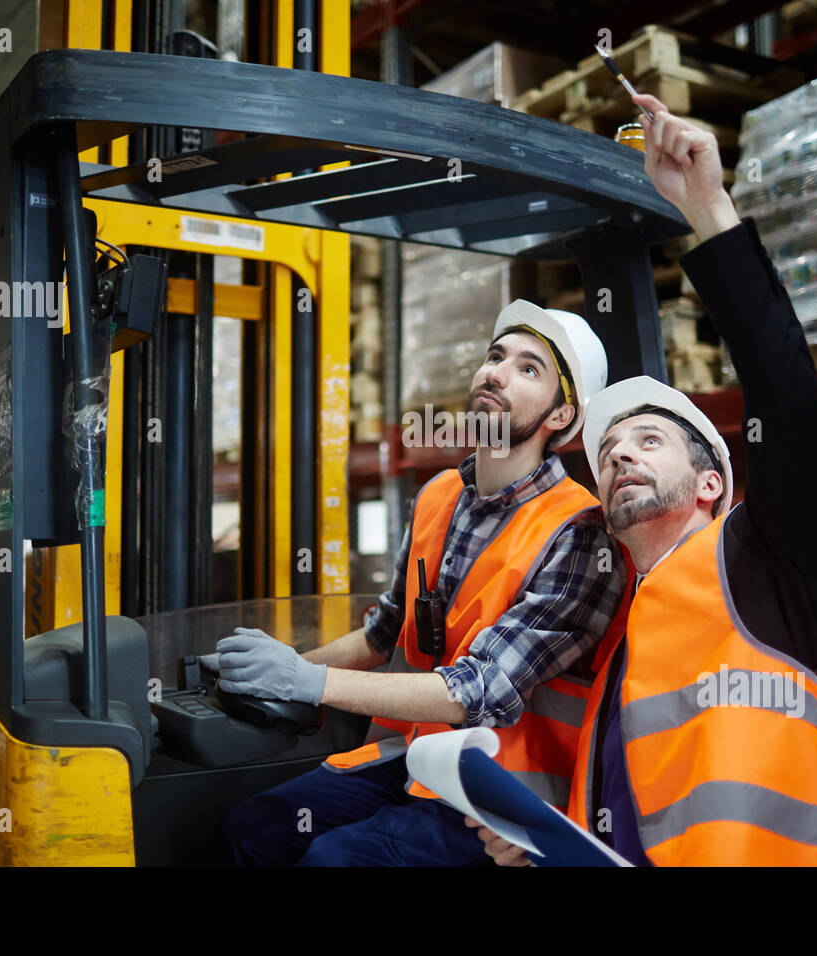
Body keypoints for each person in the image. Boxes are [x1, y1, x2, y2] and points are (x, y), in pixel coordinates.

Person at [471, 91, 817, 867]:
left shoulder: (765, 570)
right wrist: (539, 844)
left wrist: (706, 204)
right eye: (607, 451)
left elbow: (786, 392)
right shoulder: (628, 637)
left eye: (649, 439)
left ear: (711, 487)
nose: (620, 454)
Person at [212, 299, 630, 866]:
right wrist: (270, 670)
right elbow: (385, 635)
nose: (497, 372)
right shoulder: (438, 496)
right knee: (251, 827)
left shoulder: (580, 535)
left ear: (560, 416)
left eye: (528, 370)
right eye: (495, 356)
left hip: (499, 798)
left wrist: (307, 680)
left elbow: (478, 691)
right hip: (413, 758)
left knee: (335, 861)